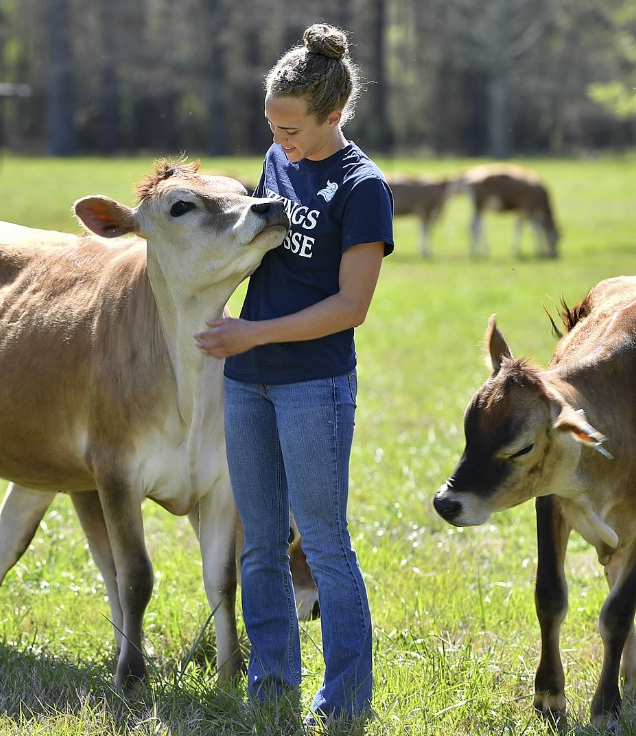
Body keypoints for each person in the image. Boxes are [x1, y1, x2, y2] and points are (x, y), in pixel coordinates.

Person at [193, 22, 393, 730]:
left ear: (333, 115)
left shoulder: (363, 187)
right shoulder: (277, 162)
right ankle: (271, 688)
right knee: (260, 543)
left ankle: (344, 702)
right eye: (272, 126)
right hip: (247, 381)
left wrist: (255, 332)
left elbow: (351, 306)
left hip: (314, 383)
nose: (280, 141)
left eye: (293, 128)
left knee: (325, 544)